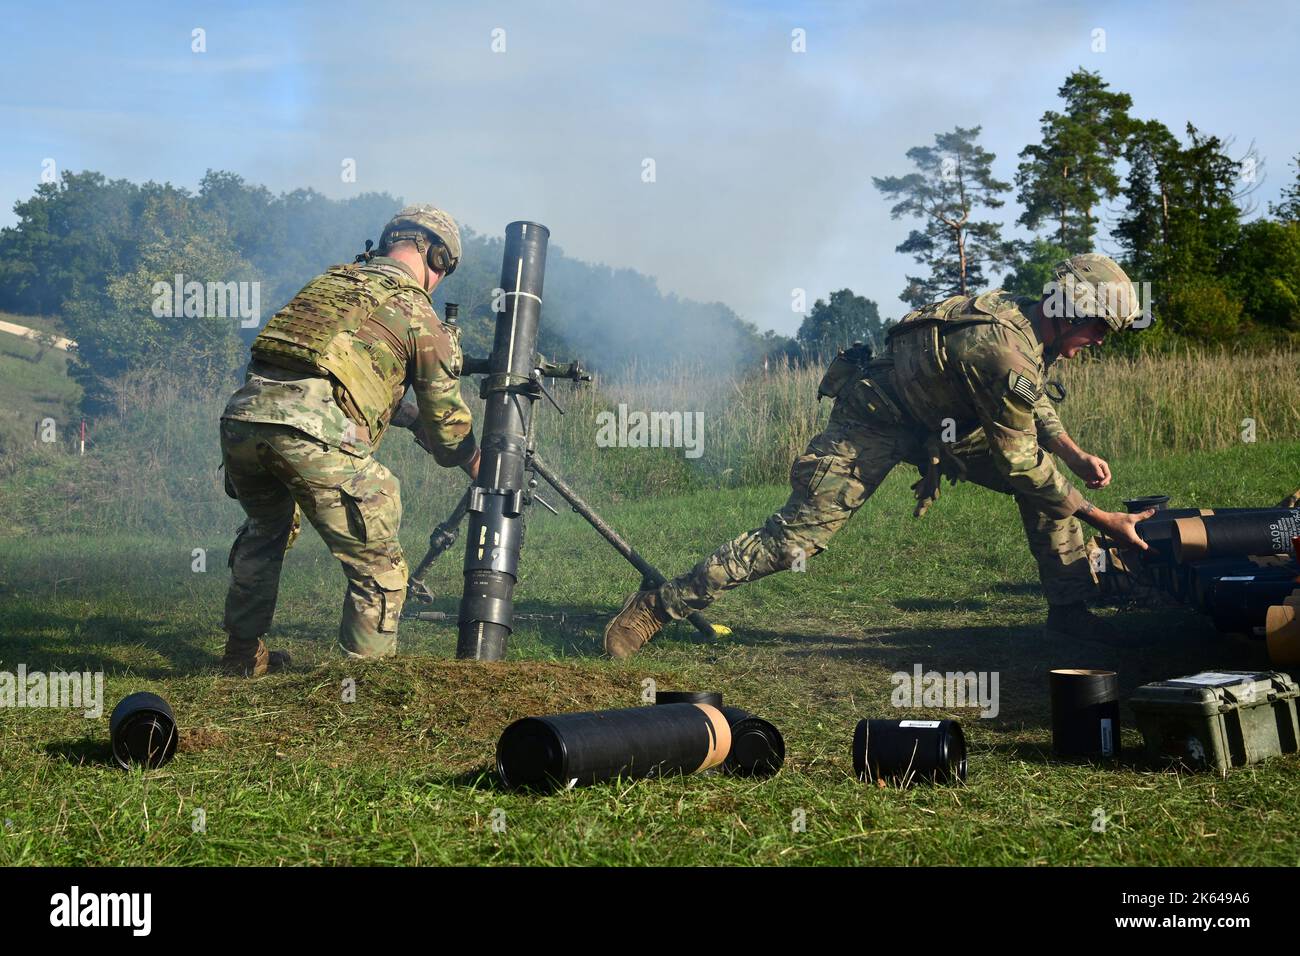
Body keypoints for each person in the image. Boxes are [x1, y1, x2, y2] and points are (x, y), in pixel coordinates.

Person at [604, 253, 1154, 658]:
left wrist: (1073, 454)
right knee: (795, 540)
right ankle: (661, 604)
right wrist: (1101, 516)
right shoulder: (1000, 350)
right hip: (874, 419)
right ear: (1070, 310)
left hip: (942, 423)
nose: (1102, 340)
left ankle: (1069, 609)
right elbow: (1017, 454)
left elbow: (1030, 406)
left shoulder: (1026, 321)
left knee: (1049, 487)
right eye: (1100, 327)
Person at [218, 205, 480, 675]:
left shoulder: (330, 285)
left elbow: (333, 376)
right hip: (309, 436)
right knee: (378, 561)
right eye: (444, 270)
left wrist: (408, 418)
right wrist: (473, 459)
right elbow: (448, 431)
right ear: (436, 256)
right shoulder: (414, 309)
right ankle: (360, 685)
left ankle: (241, 657)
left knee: (265, 532)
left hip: (243, 422)